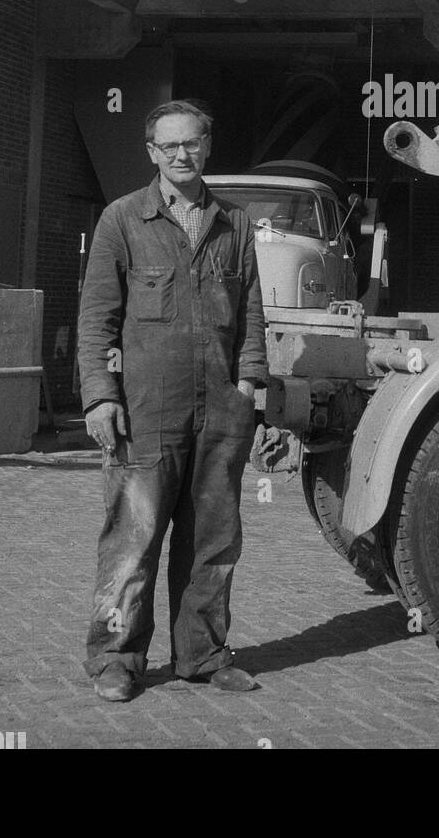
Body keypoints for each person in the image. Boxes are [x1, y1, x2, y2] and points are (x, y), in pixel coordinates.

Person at [79, 98, 268, 702]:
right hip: (145, 410)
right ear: (151, 153)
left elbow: (253, 314)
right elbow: (95, 322)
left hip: (220, 412)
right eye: (169, 146)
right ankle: (116, 659)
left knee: (213, 543)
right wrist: (99, 397)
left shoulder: (234, 223)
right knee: (131, 542)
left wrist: (248, 385)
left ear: (207, 146)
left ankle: (204, 656)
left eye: (192, 144)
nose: (181, 155)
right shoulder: (122, 220)